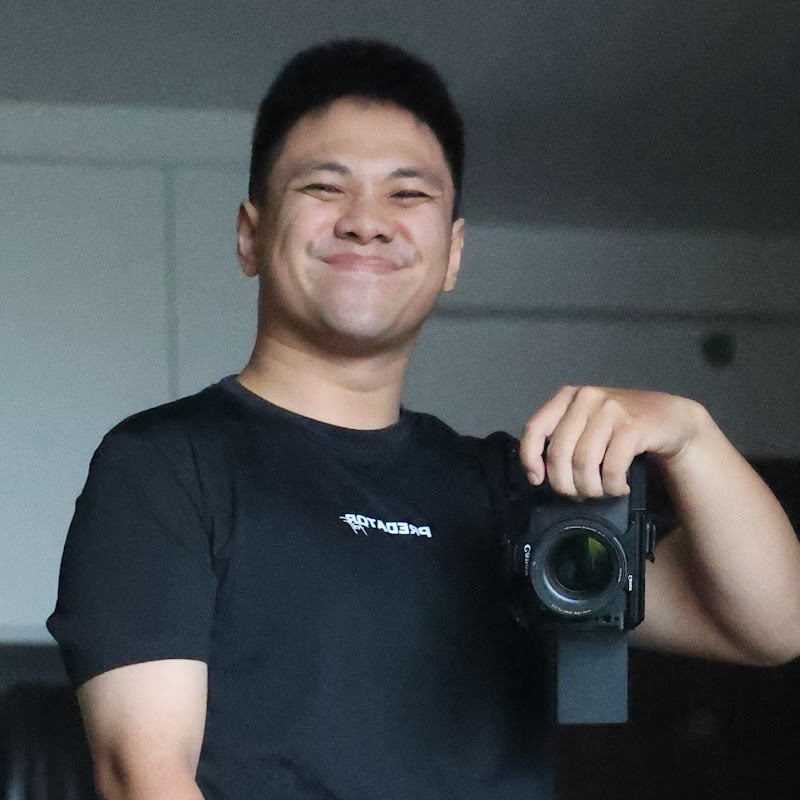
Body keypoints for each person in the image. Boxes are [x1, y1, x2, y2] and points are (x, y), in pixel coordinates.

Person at [47, 39, 800, 800]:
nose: (366, 222)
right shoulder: (164, 467)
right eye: (325, 187)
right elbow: (143, 775)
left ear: (453, 254)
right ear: (250, 235)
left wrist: (690, 433)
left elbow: (772, 626)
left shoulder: (514, 492)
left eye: (407, 195)